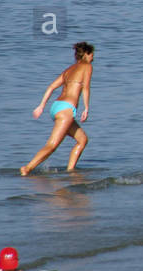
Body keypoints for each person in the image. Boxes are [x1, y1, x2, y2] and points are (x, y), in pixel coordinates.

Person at [20, 41, 94, 175]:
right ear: (87, 54)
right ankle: (27, 168)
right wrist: (86, 108)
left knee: (82, 140)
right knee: (52, 145)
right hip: (66, 110)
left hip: (56, 107)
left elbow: (51, 87)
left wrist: (41, 106)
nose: (93, 58)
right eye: (92, 55)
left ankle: (71, 172)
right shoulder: (87, 66)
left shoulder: (69, 70)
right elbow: (86, 88)